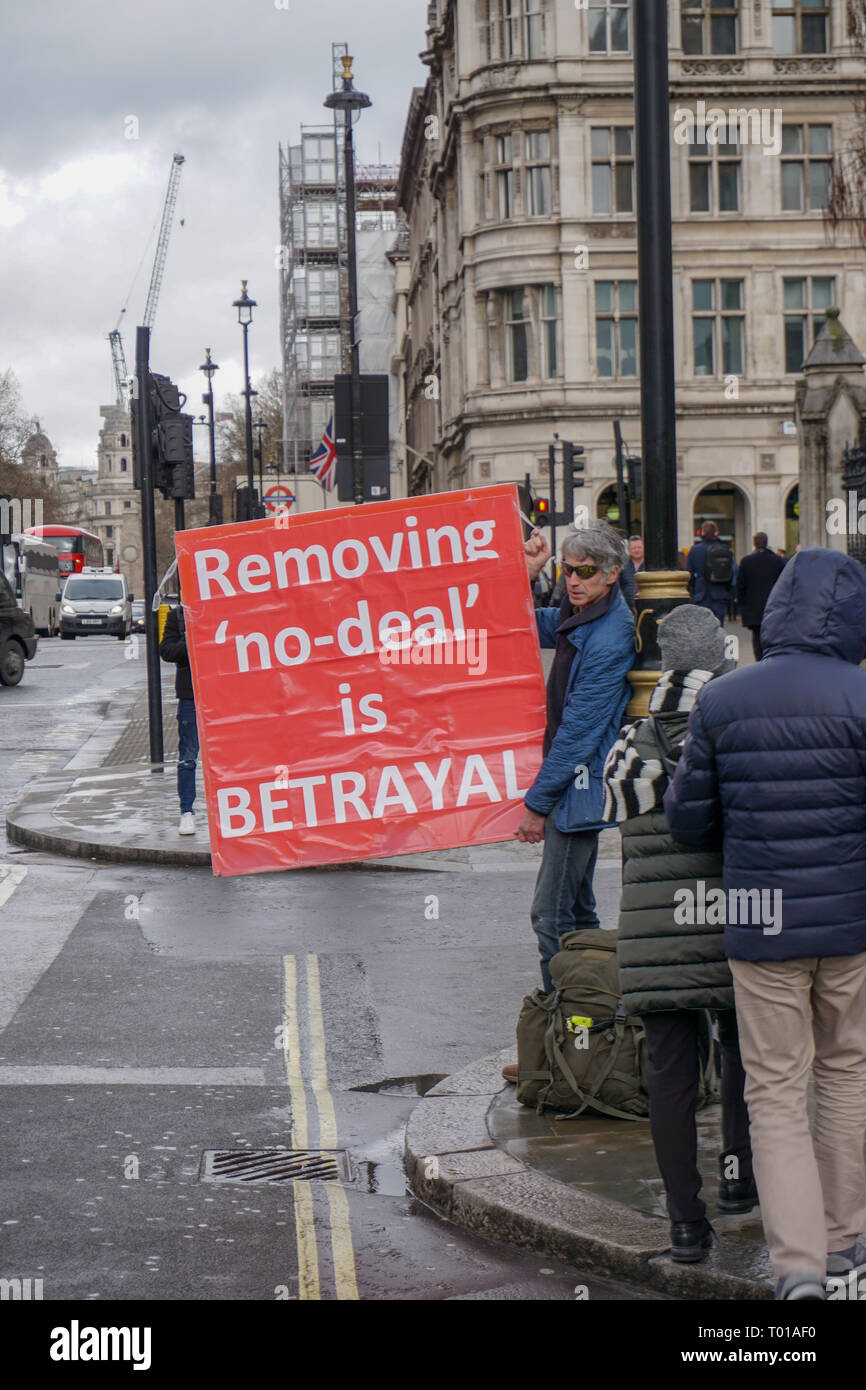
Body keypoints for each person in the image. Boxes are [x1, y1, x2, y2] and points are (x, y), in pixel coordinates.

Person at [663, 548, 866, 1301]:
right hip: (850, 920)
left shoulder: (724, 700)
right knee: (847, 1072)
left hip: (760, 920)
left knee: (776, 1089)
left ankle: (800, 1269)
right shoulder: (863, 696)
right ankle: (847, 1240)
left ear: (774, 611)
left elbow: (688, 822)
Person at [602, 605, 754, 1264]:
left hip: (654, 939)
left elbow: (619, 837)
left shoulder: (627, 744)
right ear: (719, 661)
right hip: (729, 923)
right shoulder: (737, 733)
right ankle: (740, 1183)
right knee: (744, 1058)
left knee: (669, 1079)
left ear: (665, 663)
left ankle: (686, 1227)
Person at [517, 521, 635, 1000]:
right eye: (567, 569)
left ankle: (565, 1026)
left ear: (611, 574)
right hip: (575, 786)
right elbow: (528, 624)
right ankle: (592, 1023)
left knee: (552, 916)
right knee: (579, 913)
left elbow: (579, 734)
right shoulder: (582, 613)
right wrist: (528, 573)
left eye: (584, 571)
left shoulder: (610, 634)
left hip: (579, 788)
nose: (572, 580)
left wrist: (537, 804)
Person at [159, 599, 199, 836]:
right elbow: (166, 650)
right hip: (190, 694)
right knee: (188, 756)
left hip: (224, 693)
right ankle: (187, 812)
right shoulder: (178, 615)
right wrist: (192, 642)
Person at [735, 532, 785, 661]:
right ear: (766, 543)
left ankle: (759, 660)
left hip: (754, 607)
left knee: (757, 636)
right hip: (773, 605)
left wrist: (741, 603)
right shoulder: (778, 561)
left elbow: (741, 585)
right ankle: (771, 657)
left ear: (754, 543)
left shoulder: (746, 562)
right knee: (772, 634)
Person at [686, 521, 735, 623]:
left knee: (703, 630)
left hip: (702, 595)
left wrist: (694, 591)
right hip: (720, 594)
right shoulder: (725, 549)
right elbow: (731, 572)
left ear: (702, 532)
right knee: (718, 629)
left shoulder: (695, 550)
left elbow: (688, 574)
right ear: (716, 533)